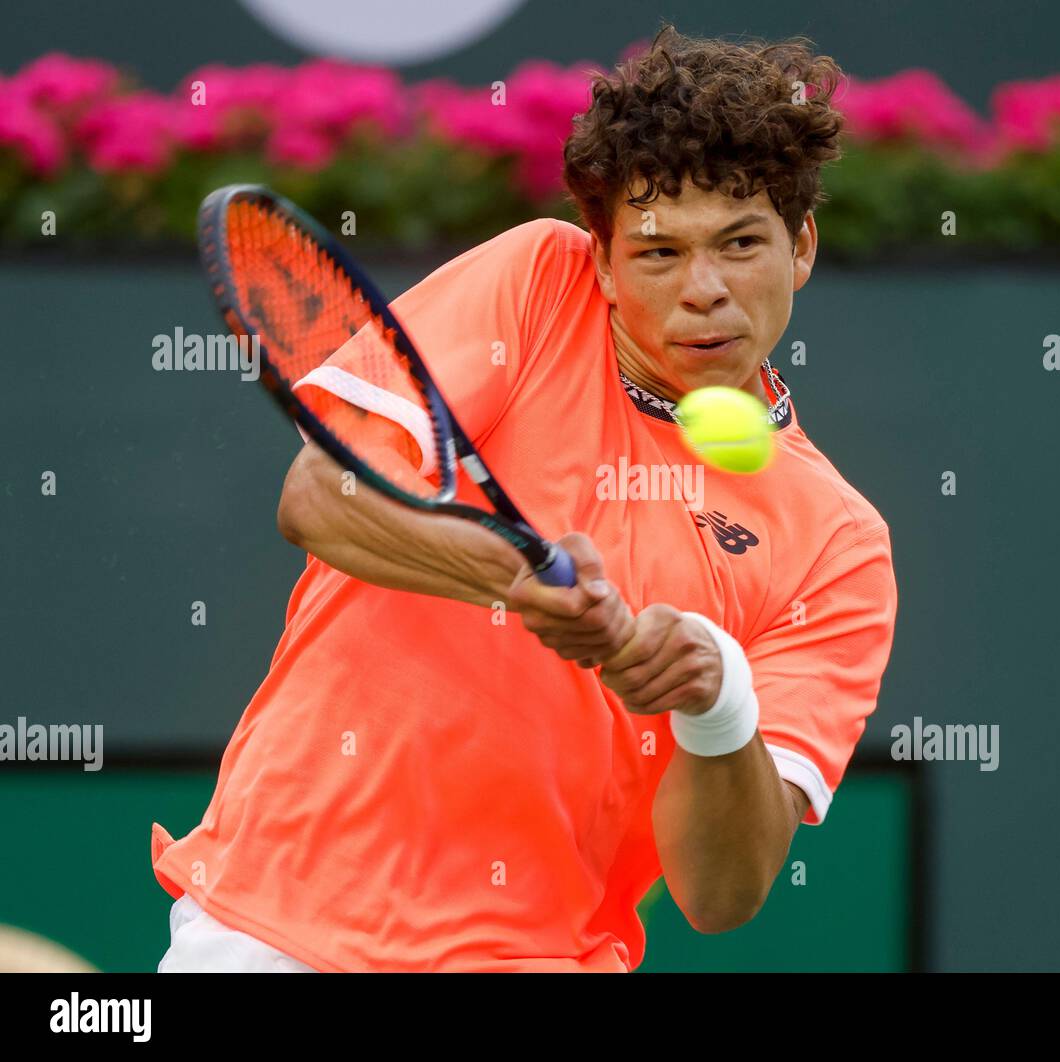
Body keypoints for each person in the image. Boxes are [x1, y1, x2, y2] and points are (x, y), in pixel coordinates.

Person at [153, 25, 898, 973]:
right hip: (276, 924)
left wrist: (719, 703)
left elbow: (720, 896)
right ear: (602, 261)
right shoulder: (538, 281)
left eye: (742, 243)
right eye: (659, 253)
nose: (704, 290)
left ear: (801, 249)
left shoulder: (840, 545)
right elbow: (320, 496)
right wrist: (517, 581)